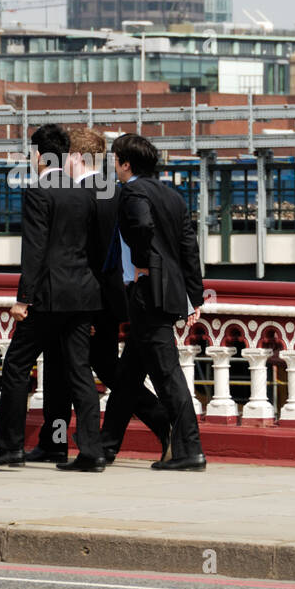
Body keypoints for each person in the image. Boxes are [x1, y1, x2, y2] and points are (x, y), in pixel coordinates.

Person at [27, 124, 171, 466]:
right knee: (78, 369)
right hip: (103, 296)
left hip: (88, 299)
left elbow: (93, 254)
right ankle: (63, 441)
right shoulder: (110, 190)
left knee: (89, 370)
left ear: (73, 157)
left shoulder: (86, 193)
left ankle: (160, 419)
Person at [0, 123, 105, 471]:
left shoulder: (38, 191)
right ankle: (87, 450)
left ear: (39, 156)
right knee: (78, 371)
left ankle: (10, 447)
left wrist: (23, 299)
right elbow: (93, 248)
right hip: (82, 294)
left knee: (16, 366)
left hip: (47, 296)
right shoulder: (84, 193)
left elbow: (35, 251)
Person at [100, 133, 206, 471]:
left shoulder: (132, 191)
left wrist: (146, 260)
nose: (112, 165)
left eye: (114, 159)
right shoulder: (173, 196)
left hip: (148, 291)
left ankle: (190, 450)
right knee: (129, 375)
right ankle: (105, 447)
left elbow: (142, 226)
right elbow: (189, 247)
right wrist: (194, 295)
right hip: (169, 291)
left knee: (167, 373)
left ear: (125, 163)